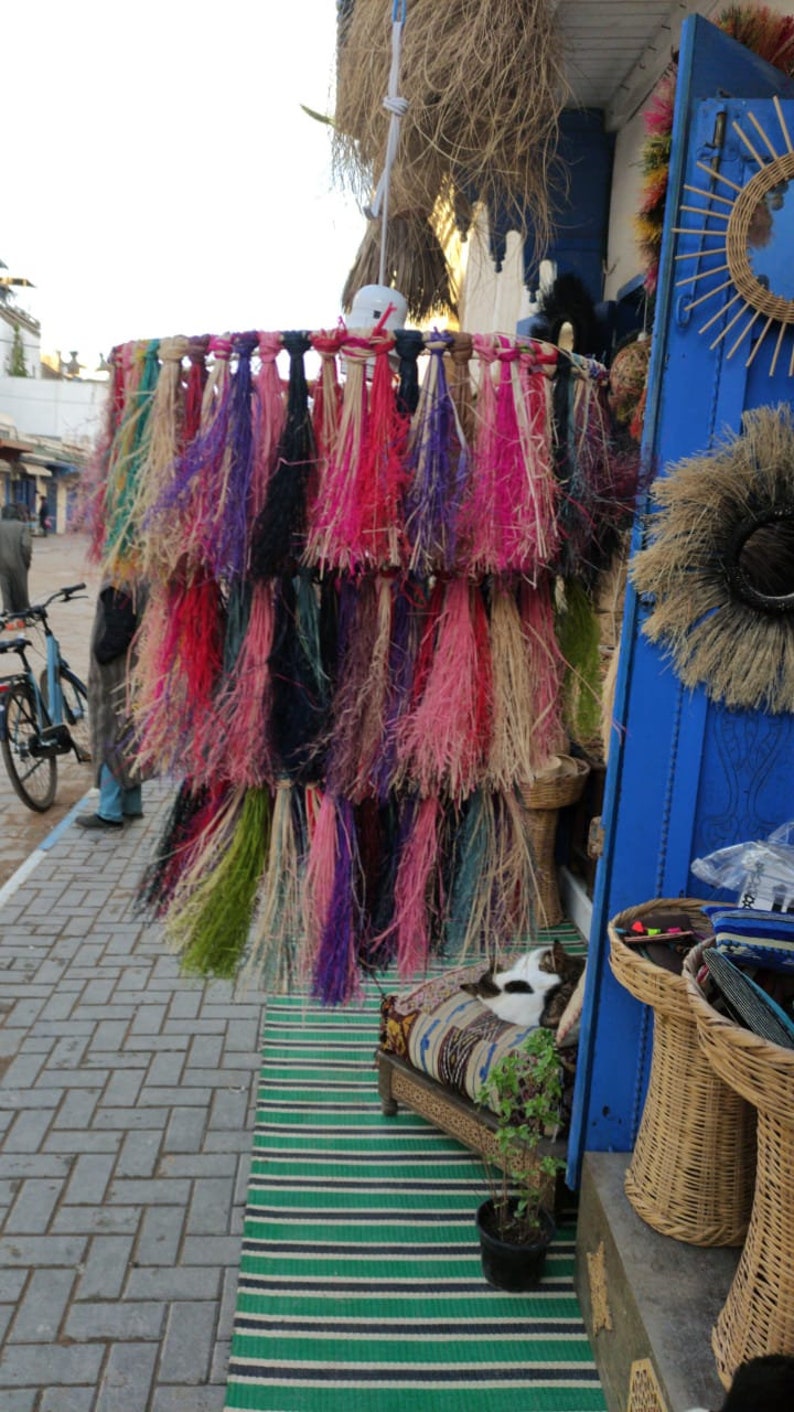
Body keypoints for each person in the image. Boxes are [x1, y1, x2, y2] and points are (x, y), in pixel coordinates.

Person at [77, 581, 145, 831]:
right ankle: (131, 804)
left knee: (108, 736)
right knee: (129, 735)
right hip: (133, 669)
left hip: (113, 676)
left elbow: (118, 630)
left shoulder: (118, 577)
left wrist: (100, 653)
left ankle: (109, 811)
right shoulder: (140, 573)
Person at [0, 503, 32, 613]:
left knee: (6, 590)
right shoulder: (22, 527)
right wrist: (26, 562)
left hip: (2, 564)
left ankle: (8, 612)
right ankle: (22, 613)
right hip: (18, 562)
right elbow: (26, 546)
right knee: (21, 589)